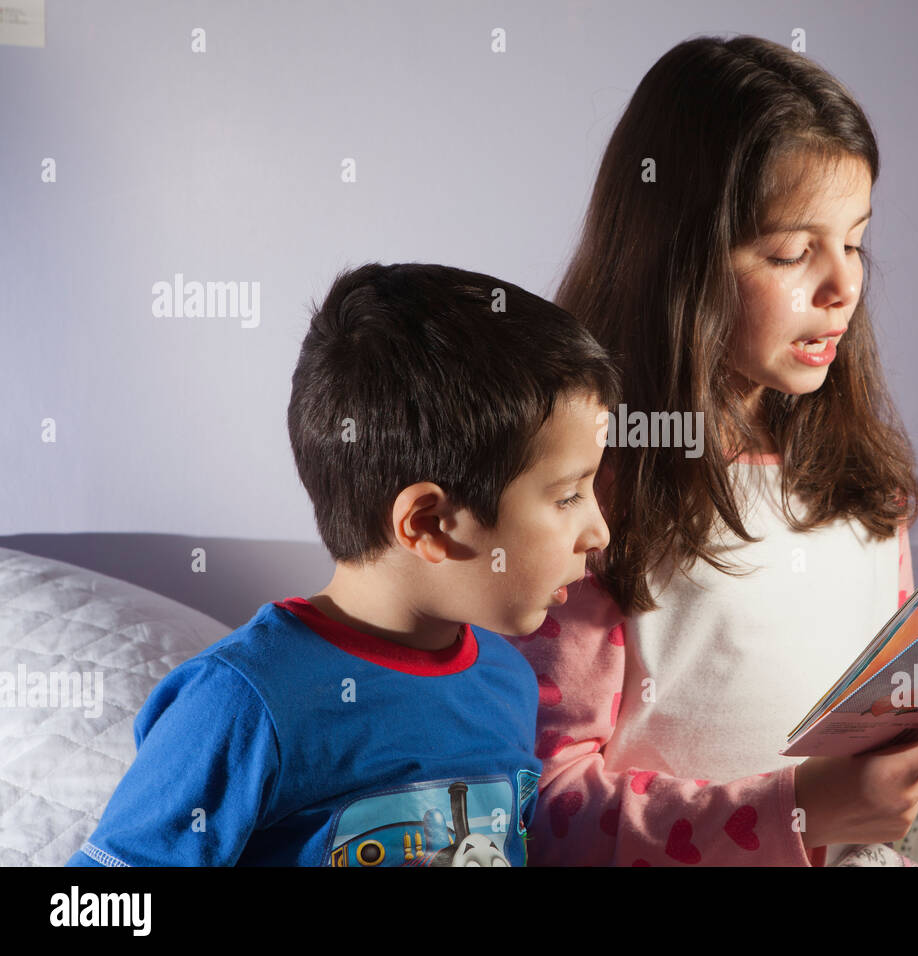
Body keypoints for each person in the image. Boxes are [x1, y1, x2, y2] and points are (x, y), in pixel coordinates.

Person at [504, 35, 918, 866]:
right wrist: (793, 811)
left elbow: (881, 775)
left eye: (856, 241)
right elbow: (542, 810)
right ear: (677, 257)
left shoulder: (857, 484)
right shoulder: (589, 498)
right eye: (794, 252)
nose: (843, 287)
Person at [67, 263, 618, 867]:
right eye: (568, 495)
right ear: (429, 525)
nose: (599, 530)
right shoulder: (242, 703)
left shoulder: (508, 683)